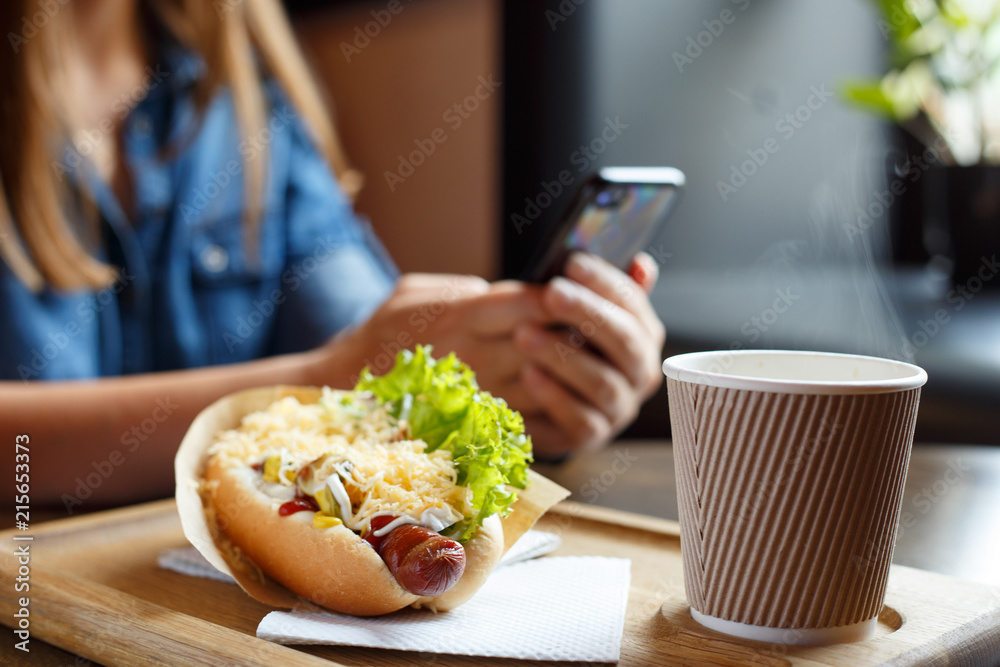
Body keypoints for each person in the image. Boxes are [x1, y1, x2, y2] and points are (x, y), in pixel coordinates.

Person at [0, 0, 665, 509]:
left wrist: (526, 378)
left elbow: (365, 329)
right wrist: (334, 377)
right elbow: (351, 366)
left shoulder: (245, 94)